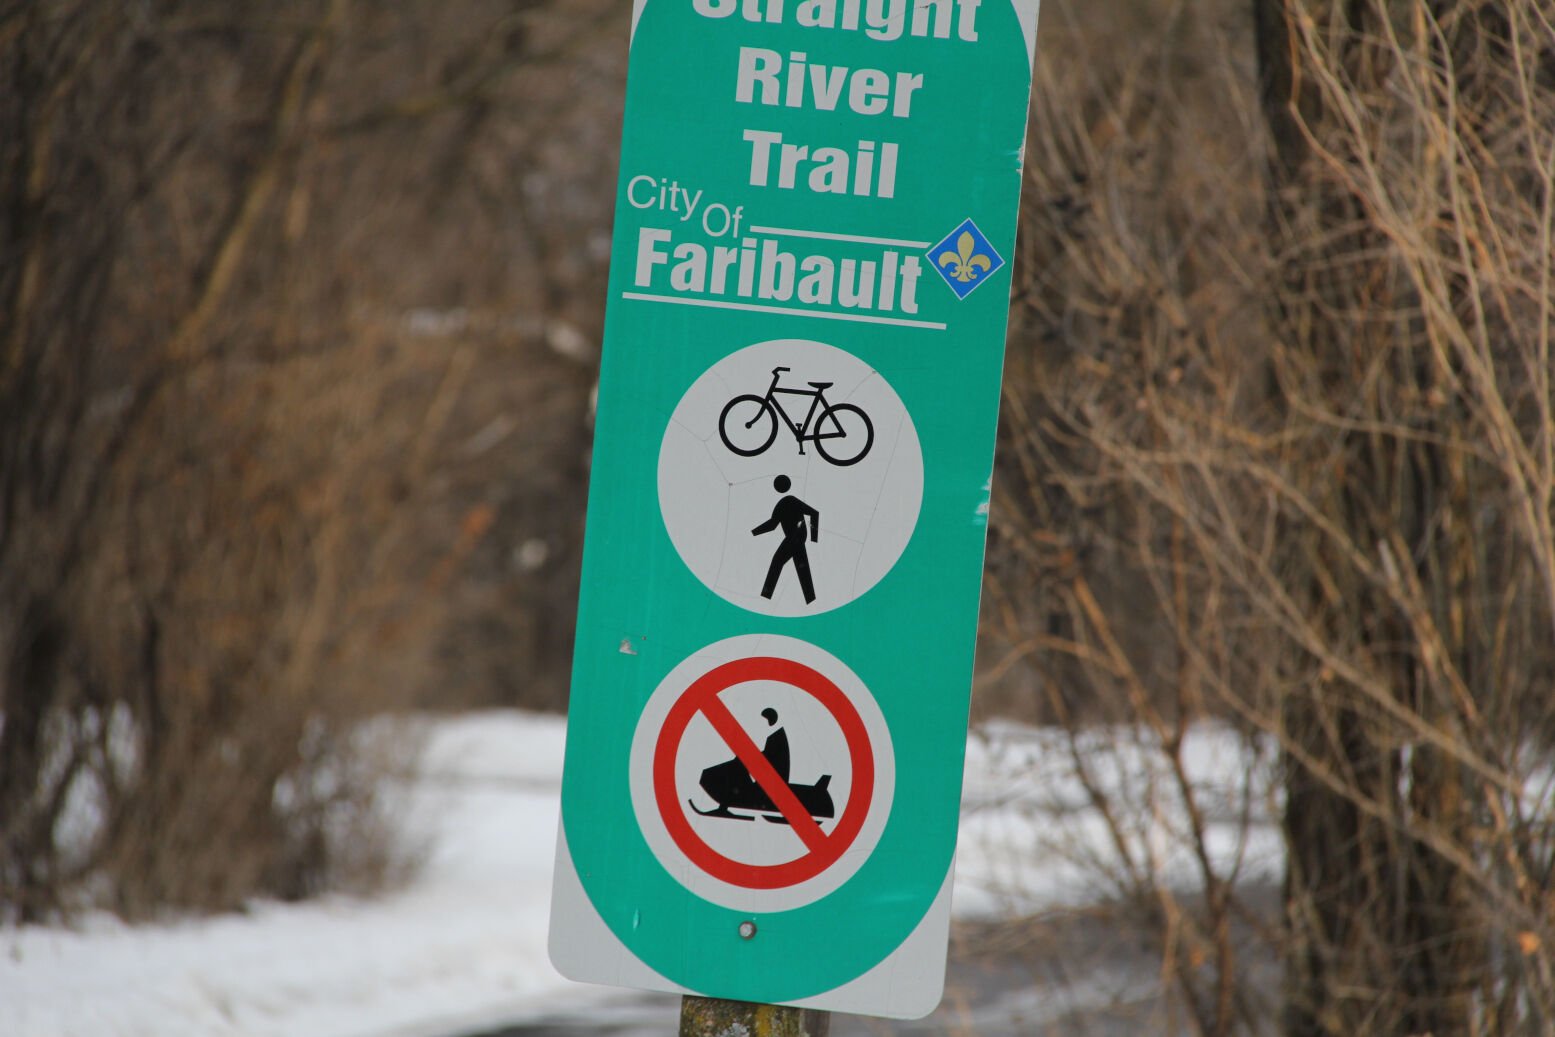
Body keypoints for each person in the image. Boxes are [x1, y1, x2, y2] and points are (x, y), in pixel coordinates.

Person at [752, 475, 819, 604]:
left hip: (796, 536)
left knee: (777, 561)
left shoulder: (789, 501)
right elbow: (772, 525)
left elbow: (814, 513)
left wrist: (814, 538)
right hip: (797, 537)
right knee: (802, 566)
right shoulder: (783, 504)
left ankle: (766, 594)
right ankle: (810, 598)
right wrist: (754, 532)